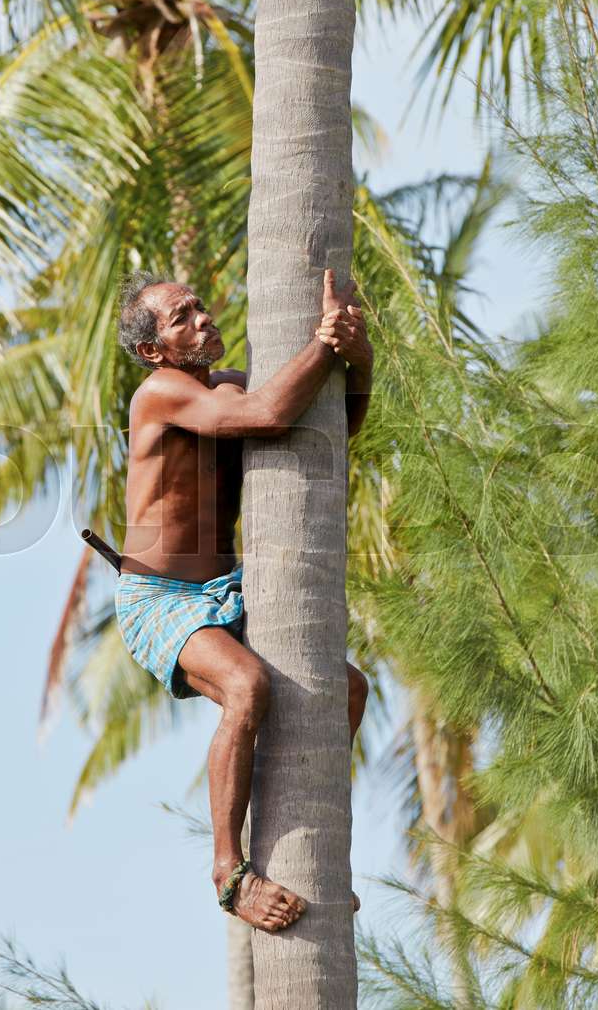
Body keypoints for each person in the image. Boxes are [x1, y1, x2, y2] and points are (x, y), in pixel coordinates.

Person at [112, 268, 372, 933]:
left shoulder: (218, 387)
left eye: (199, 306)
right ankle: (228, 872)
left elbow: (331, 428)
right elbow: (270, 413)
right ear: (153, 351)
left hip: (224, 592)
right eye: (180, 318)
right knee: (247, 686)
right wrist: (322, 341)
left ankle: (317, 850)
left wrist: (356, 356)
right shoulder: (160, 394)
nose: (201, 318)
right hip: (159, 599)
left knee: (345, 688)